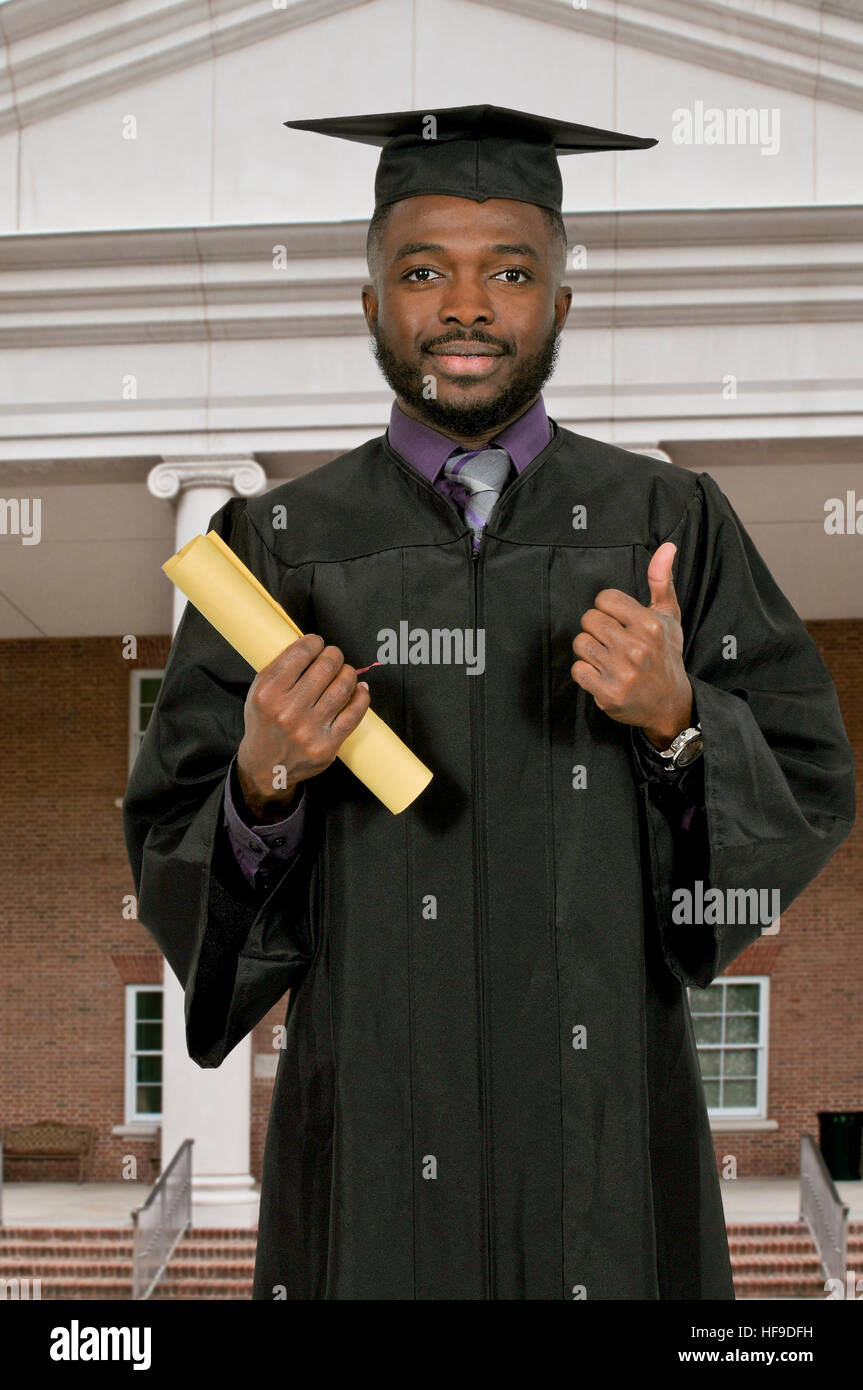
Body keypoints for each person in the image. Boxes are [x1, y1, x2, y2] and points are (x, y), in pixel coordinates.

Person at [122, 105, 856, 1300]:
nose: (466, 306)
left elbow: (807, 783)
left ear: (559, 303)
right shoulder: (274, 545)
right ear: (370, 304)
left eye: (510, 271)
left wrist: (680, 724)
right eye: (422, 271)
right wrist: (262, 778)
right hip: (367, 1144)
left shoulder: (670, 524)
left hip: (604, 1145)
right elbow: (175, 844)